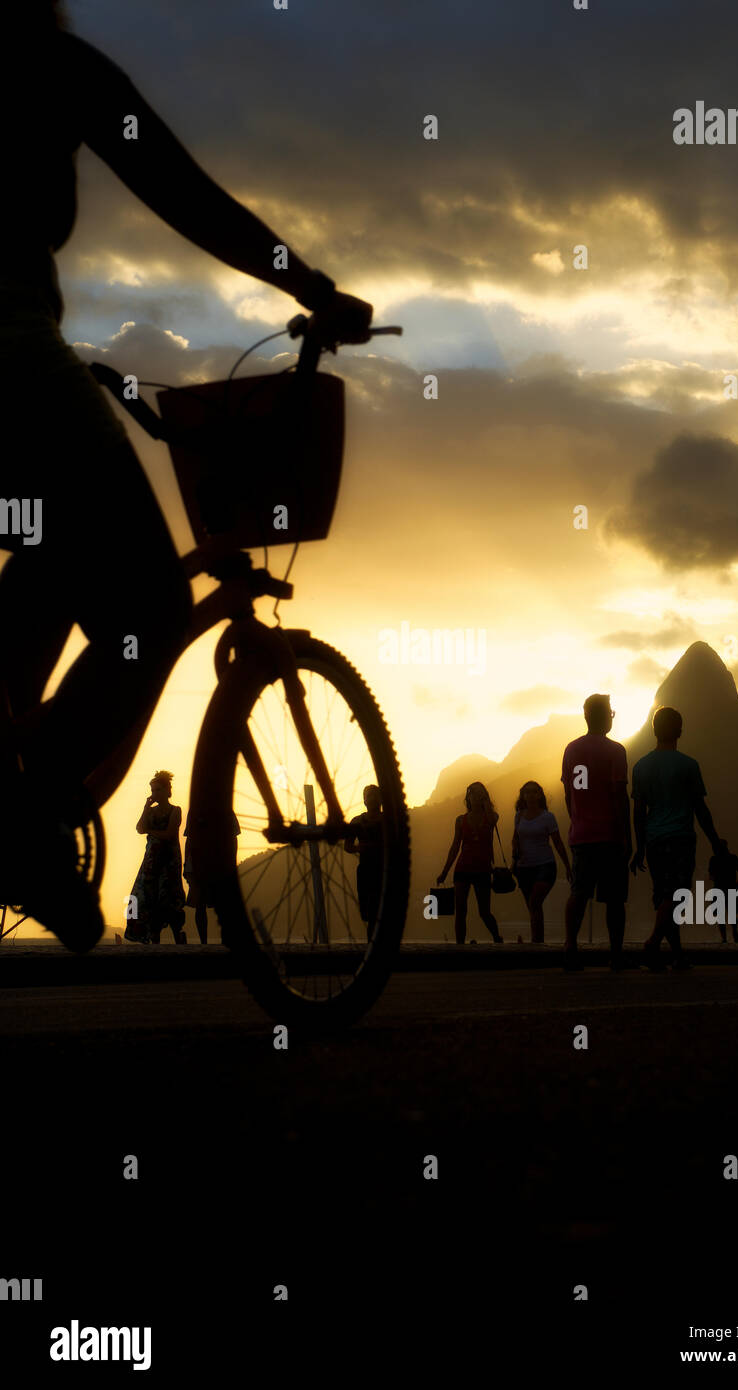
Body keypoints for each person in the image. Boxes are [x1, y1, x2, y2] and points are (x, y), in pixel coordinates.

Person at [0, 3, 373, 952]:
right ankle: (23, 817)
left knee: (44, 556)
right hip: (5, 356)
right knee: (152, 608)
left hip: (25, 379)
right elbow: (183, 190)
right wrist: (311, 286)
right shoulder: (47, 62)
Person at [630, 706, 723, 971]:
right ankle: (653, 942)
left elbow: (638, 812)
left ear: (653, 730)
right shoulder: (688, 765)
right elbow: (700, 809)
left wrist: (639, 847)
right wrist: (715, 841)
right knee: (677, 895)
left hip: (654, 840)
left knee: (664, 897)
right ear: (680, 731)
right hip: (681, 838)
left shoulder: (641, 767)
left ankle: (678, 954)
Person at [561, 694, 632, 971]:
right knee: (614, 899)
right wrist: (627, 834)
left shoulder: (572, 750)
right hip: (610, 835)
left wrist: (578, 819)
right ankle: (616, 954)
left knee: (579, 893)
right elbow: (619, 795)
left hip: (582, 834)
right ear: (605, 716)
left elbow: (571, 792)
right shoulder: (616, 751)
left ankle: (570, 947)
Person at [437, 782, 502, 945]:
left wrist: (485, 801)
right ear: (468, 798)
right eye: (472, 794)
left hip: (483, 869)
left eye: (479, 794)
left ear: (484, 797)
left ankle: (497, 938)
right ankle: (460, 945)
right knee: (460, 910)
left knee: (484, 911)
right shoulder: (460, 820)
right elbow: (454, 847)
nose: (475, 797)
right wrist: (445, 871)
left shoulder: (491, 816)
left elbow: (493, 820)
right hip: (463, 868)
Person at [125, 771, 186, 944]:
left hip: (169, 861)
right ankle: (153, 939)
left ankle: (178, 937)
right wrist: (145, 808)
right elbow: (139, 828)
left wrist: (150, 831)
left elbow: (169, 834)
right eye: (152, 790)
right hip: (151, 861)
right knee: (146, 897)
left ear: (167, 790)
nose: (154, 794)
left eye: (158, 790)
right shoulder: (151, 812)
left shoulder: (176, 810)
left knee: (168, 897)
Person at [510, 781, 570, 944]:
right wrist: (514, 860)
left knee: (535, 901)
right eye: (527, 792)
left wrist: (567, 866)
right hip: (523, 867)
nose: (530, 795)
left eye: (534, 791)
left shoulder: (547, 817)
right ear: (522, 795)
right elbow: (515, 839)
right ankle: (538, 943)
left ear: (540, 795)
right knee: (533, 907)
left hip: (545, 865)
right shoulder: (519, 816)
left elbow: (557, 843)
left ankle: (536, 942)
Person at [182, 811, 240, 944]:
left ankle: (225, 939)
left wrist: (232, 861)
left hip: (219, 861)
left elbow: (234, 838)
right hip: (200, 862)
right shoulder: (196, 810)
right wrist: (187, 865)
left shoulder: (225, 809)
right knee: (201, 903)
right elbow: (189, 840)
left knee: (223, 903)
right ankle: (204, 941)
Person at [344, 785, 384, 942]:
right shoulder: (357, 822)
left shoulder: (389, 820)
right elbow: (347, 846)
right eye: (369, 796)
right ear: (364, 800)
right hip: (366, 870)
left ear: (381, 799)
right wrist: (358, 848)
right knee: (370, 911)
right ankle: (373, 945)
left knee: (382, 909)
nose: (372, 799)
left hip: (385, 870)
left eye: (375, 795)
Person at [708, 839, 738, 943]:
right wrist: (737, 885)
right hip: (731, 888)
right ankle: (735, 932)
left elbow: (711, 875)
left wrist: (715, 877)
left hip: (719, 888)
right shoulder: (732, 857)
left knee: (720, 915)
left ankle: (724, 938)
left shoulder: (714, 859)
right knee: (732, 913)